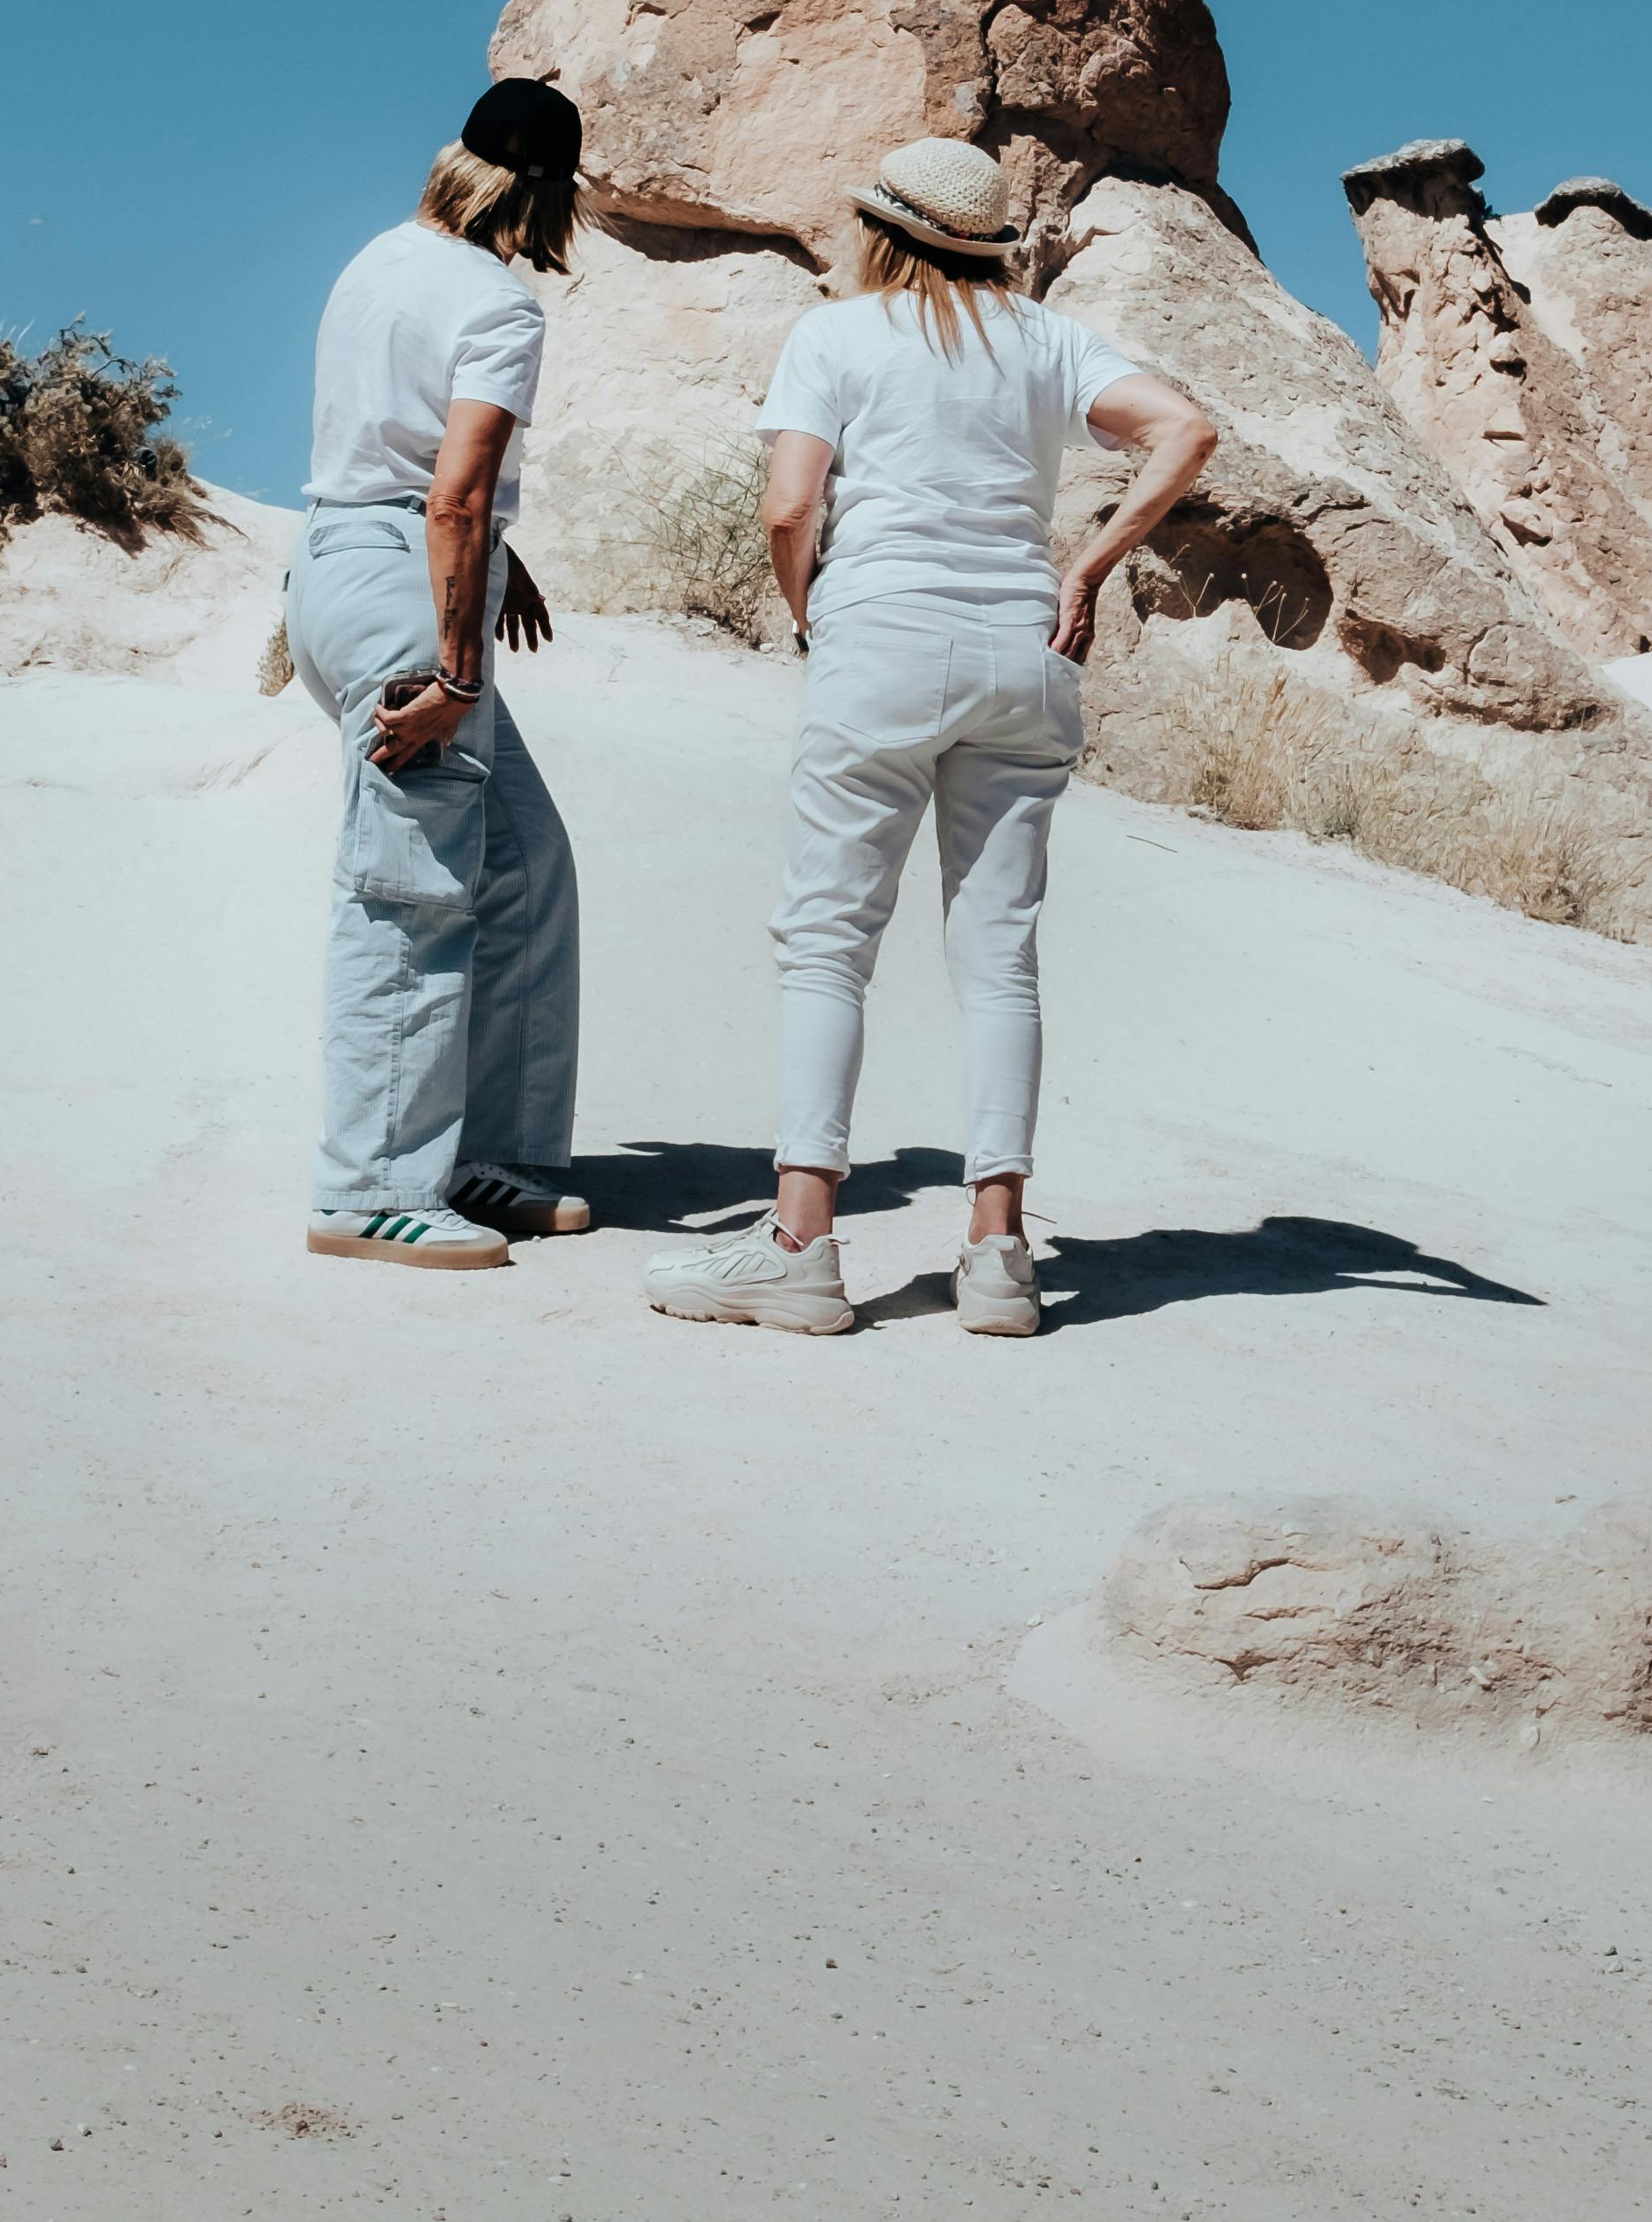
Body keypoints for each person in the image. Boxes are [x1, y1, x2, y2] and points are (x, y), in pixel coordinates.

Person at [649, 133, 1216, 1343]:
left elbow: (792, 503)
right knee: (998, 950)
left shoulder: (836, 336)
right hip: (1026, 648)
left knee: (829, 940)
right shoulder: (1050, 341)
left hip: (884, 640)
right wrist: (1091, 564)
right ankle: (1000, 1255)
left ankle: (800, 1248)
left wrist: (810, 612)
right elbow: (1186, 430)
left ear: (880, 231)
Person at [284, 76, 591, 1268]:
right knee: (411, 897)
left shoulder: (377, 260)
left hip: (338, 573)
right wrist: (458, 665)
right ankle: (368, 1190)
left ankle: (475, 1155)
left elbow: (393, 451)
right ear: (548, 194)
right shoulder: (499, 306)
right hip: (408, 596)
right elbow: (453, 491)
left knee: (521, 865)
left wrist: (494, 562)